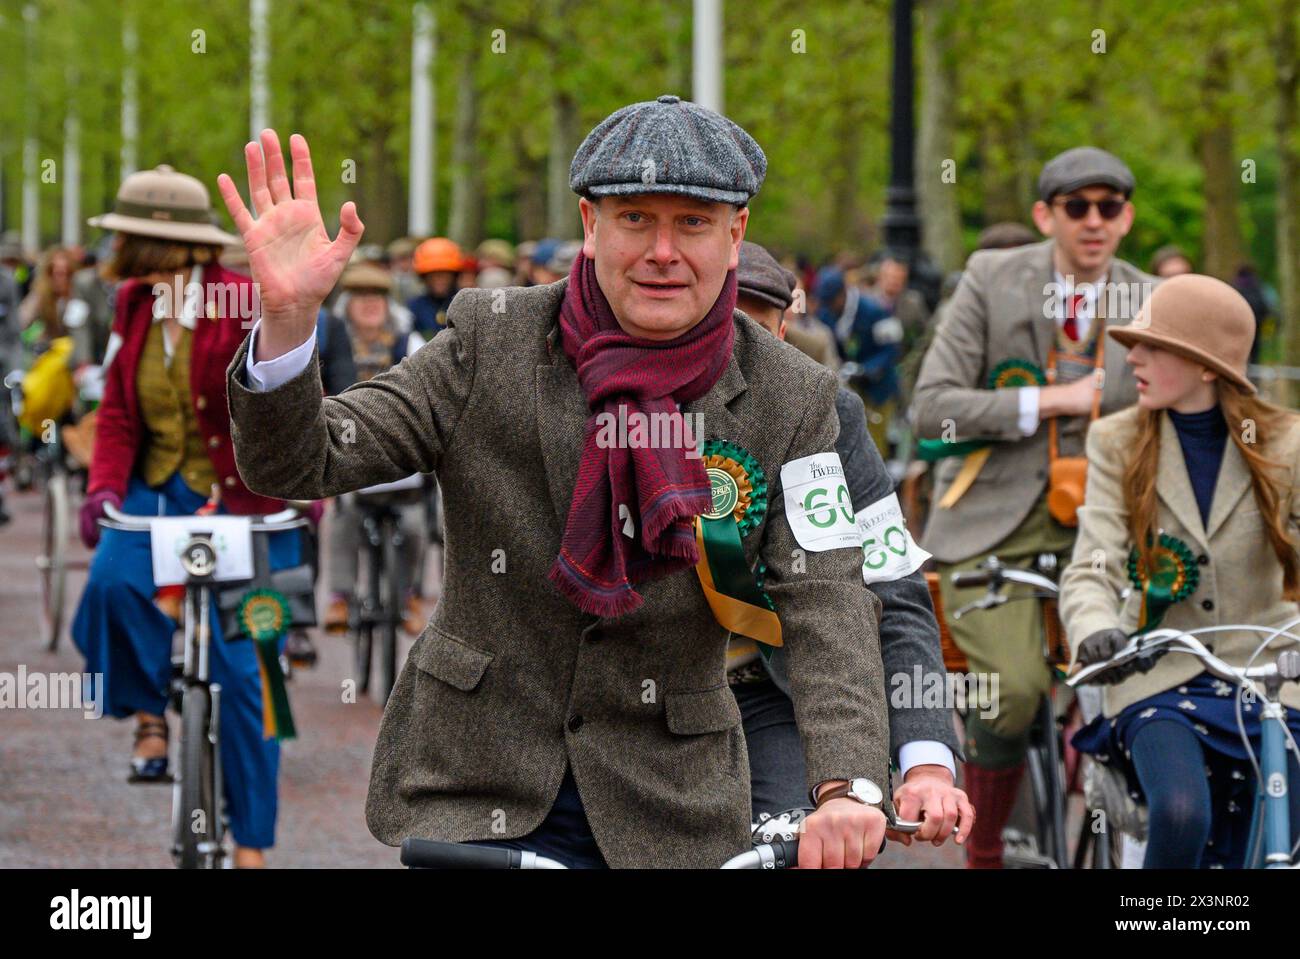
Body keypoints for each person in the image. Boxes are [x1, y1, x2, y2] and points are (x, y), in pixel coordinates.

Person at [221, 98, 895, 869]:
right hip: (475, 781)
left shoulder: (795, 396)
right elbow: (302, 463)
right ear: (590, 223)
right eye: (636, 219)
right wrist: (286, 324)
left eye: (694, 223)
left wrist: (848, 785)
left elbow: (829, 595)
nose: (663, 251)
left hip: (671, 800)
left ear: (735, 234)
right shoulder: (490, 336)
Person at [911, 146, 1157, 868]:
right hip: (994, 526)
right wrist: (1046, 401)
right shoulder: (993, 278)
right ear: (1046, 215)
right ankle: (984, 845)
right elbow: (931, 409)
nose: (1093, 221)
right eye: (1075, 207)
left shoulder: (1151, 296)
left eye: (1108, 207)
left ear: (1126, 218)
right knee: (1012, 692)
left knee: (1148, 683)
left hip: (1113, 528)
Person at [72, 164, 306, 869]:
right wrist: (103, 492)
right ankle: (149, 711)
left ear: (169, 249)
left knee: (254, 678)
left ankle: (252, 845)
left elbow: (288, 394)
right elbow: (118, 412)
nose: (126, 257)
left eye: (135, 244)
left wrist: (301, 487)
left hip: (250, 500)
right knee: (111, 584)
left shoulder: (246, 301)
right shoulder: (132, 304)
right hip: (158, 489)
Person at [734, 241, 972, 845]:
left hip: (774, 690)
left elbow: (892, 589)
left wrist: (925, 762)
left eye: (756, 333)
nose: (733, 355)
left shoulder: (828, 414)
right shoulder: (619, 404)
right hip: (630, 707)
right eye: (715, 329)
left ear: (786, 330)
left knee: (819, 845)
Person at [1061, 274, 1300, 868]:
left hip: (1276, 675)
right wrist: (1095, 627)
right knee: (1180, 812)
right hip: (1158, 675)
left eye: (1155, 345)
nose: (1132, 356)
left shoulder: (1288, 442)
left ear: (1206, 365)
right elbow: (1093, 562)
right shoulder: (1116, 439)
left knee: (1282, 827)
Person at [322, 263, 428, 636]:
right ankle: (341, 597)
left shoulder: (408, 341)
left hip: (400, 453)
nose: (370, 305)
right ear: (348, 304)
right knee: (343, 517)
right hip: (348, 451)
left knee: (417, 526)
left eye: (378, 298)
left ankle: (410, 595)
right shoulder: (334, 342)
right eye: (361, 298)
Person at [407, 237, 463, 336]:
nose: (439, 279)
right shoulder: (414, 307)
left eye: (444, 273)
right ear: (424, 277)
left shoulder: (466, 304)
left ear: (454, 275)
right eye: (433, 274)